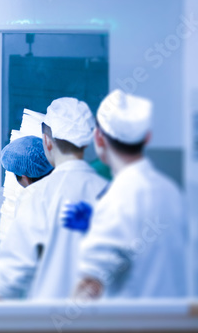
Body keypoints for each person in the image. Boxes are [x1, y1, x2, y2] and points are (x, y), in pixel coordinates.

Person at [75, 90, 189, 299]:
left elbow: (89, 287)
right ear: (147, 138)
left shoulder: (117, 198)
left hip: (131, 329)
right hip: (177, 328)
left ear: (98, 138)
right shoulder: (172, 192)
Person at [0, 98, 108, 300]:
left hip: (47, 321)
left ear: (46, 141)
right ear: (86, 142)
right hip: (100, 323)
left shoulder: (35, 197)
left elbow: (11, 276)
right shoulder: (107, 192)